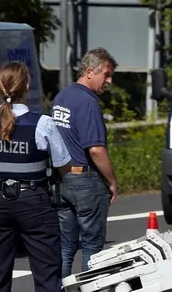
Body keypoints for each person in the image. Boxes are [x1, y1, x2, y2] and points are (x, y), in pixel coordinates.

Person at [0, 62, 72, 292]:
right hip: (35, 202)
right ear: (27, 85)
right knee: (47, 274)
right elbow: (64, 165)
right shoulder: (42, 123)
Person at [52, 48, 119, 275]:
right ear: (90, 72)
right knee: (92, 246)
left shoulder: (61, 97)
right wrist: (111, 181)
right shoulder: (88, 103)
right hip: (86, 180)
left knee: (65, 245)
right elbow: (96, 150)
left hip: (62, 179)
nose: (109, 81)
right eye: (106, 74)